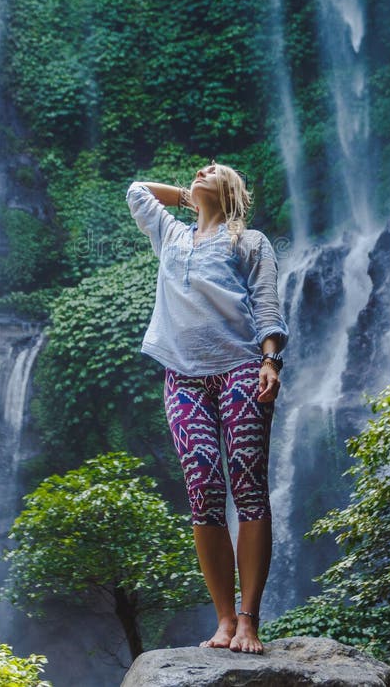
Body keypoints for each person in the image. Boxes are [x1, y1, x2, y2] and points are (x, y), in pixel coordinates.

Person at [126, 161, 288, 654]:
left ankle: (248, 621)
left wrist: (271, 360)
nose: (202, 170)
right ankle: (222, 619)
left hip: (241, 368)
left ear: (234, 190)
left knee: (249, 486)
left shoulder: (251, 241)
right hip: (183, 377)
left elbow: (265, 304)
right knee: (203, 489)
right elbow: (136, 190)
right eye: (199, 170)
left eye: (214, 170)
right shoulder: (171, 235)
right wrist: (189, 195)